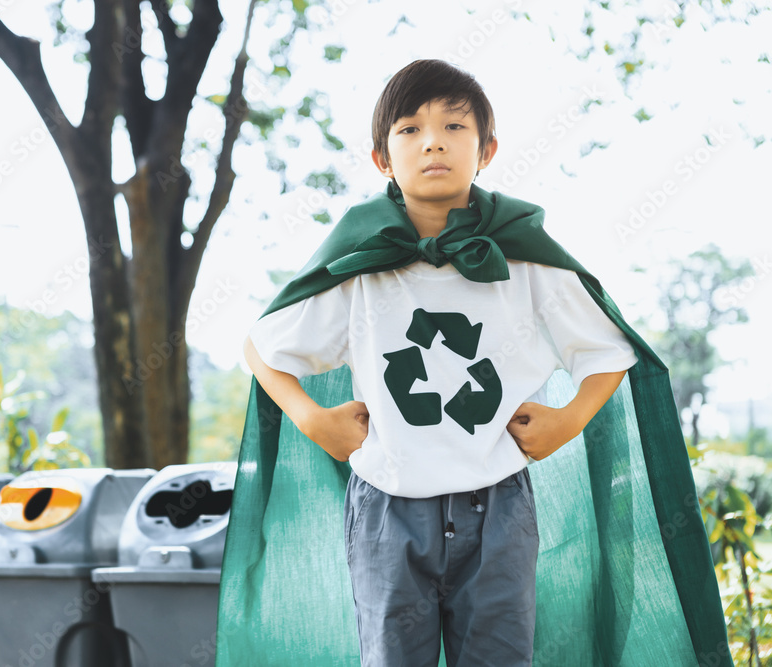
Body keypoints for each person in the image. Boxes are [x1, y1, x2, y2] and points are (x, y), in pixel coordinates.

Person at [215, 59, 730, 667]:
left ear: (486, 148)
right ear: (382, 157)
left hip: (497, 506)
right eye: (409, 129)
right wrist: (310, 418)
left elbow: (609, 349)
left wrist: (569, 419)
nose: (432, 140)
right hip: (387, 505)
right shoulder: (360, 265)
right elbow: (263, 346)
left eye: (453, 126)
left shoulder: (526, 259)